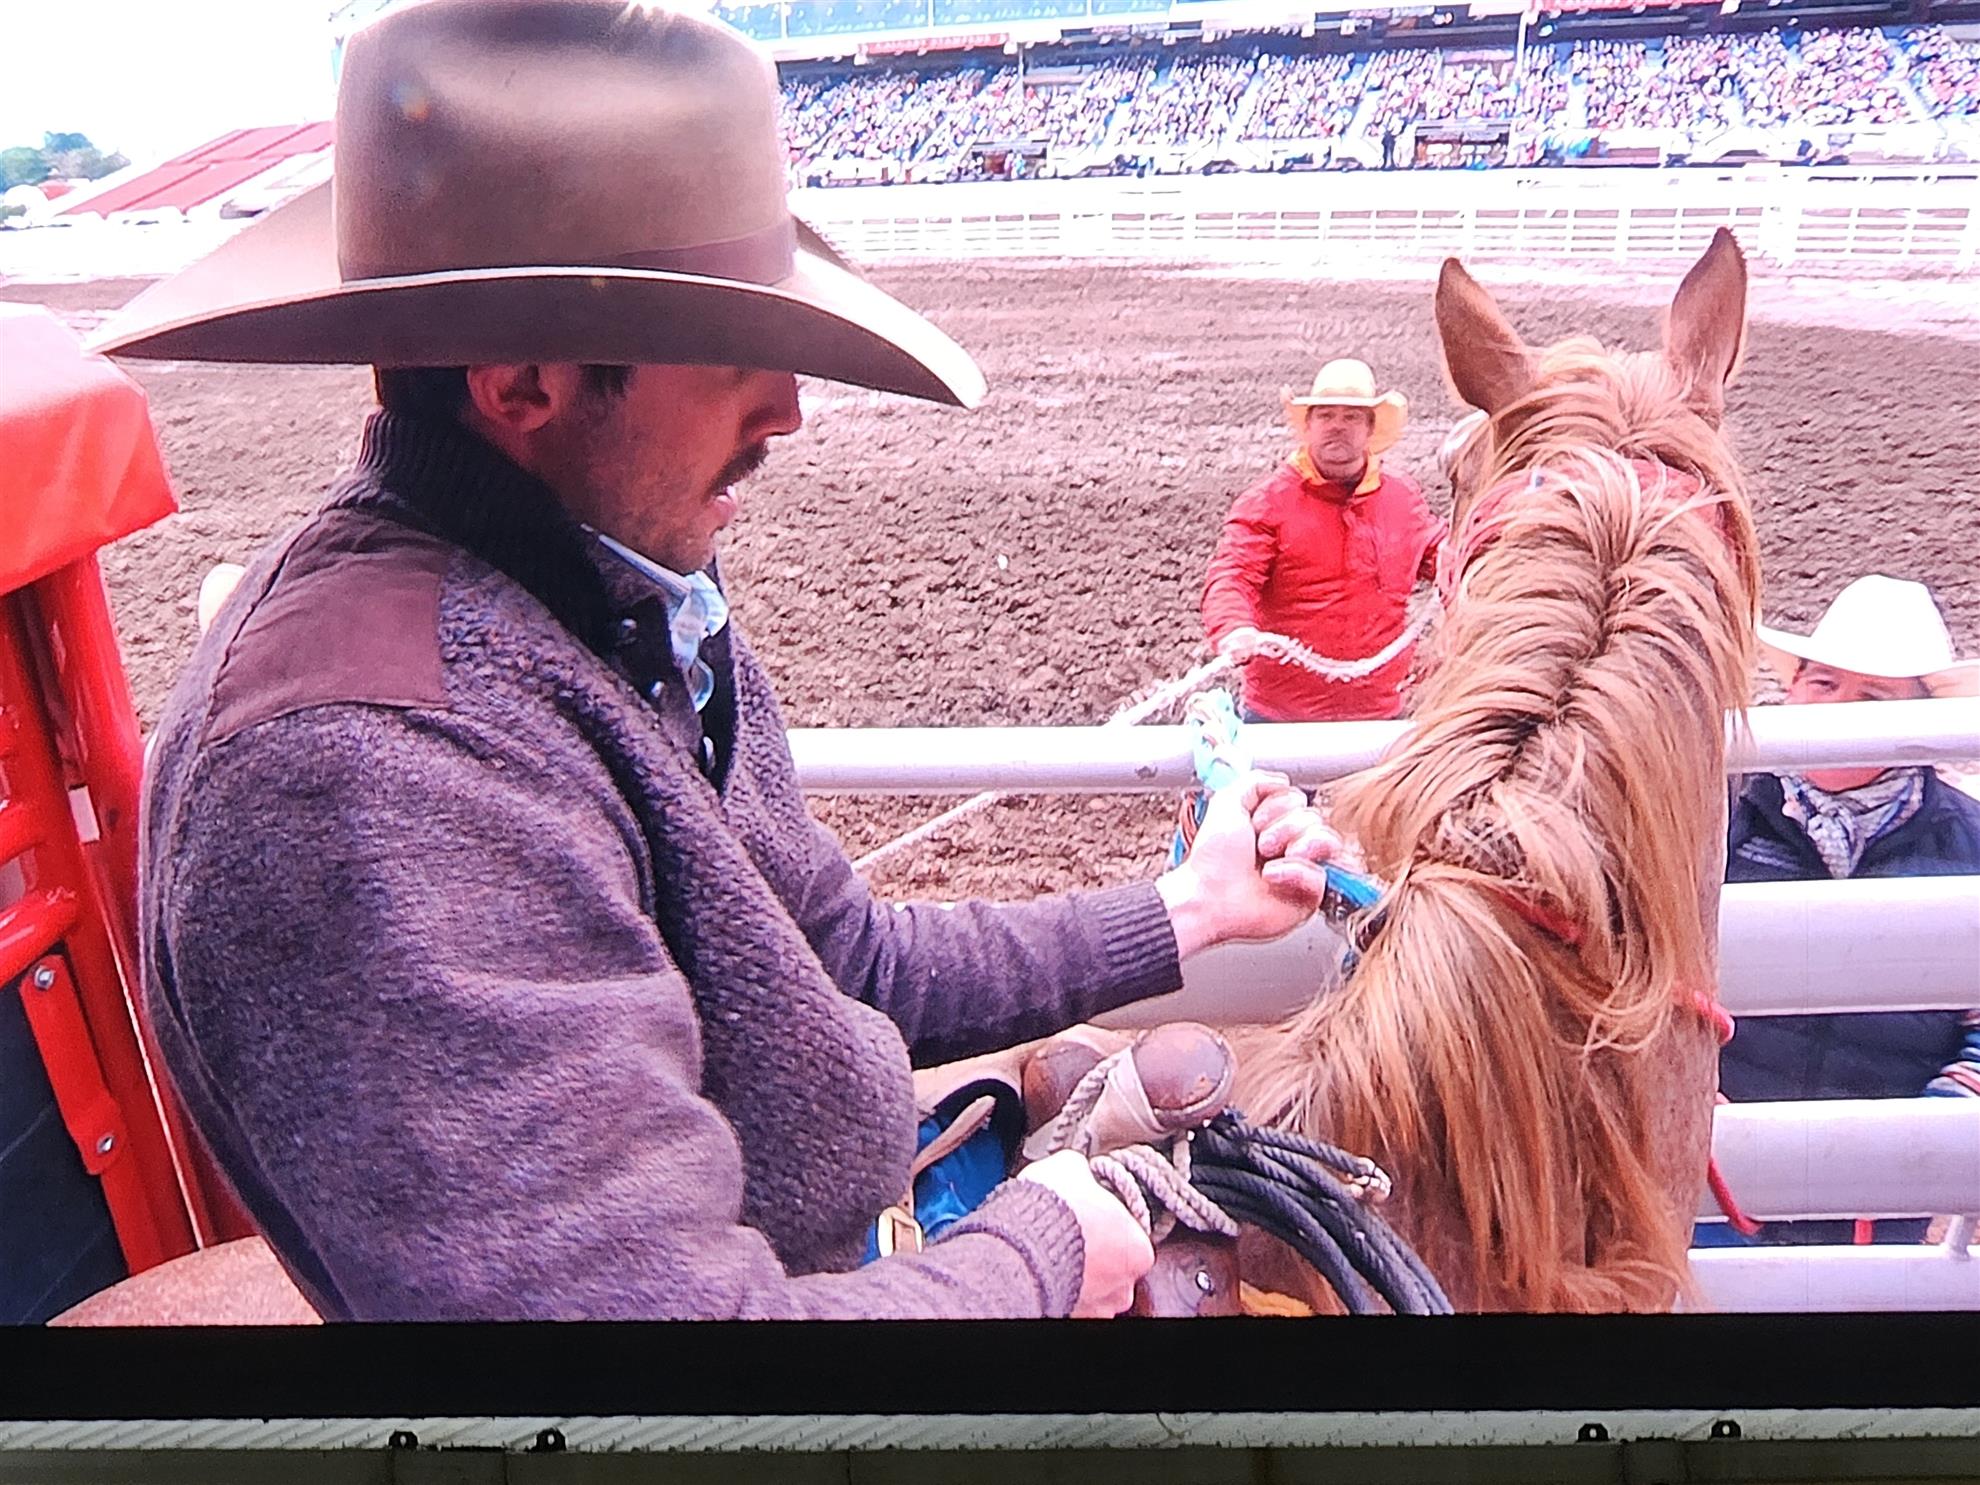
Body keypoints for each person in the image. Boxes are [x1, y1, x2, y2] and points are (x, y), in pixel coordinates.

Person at [100, 1, 1340, 1322]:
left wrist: (1191, 909)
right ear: (523, 382)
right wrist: (1039, 1252)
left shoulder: (614, 593)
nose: (789, 409)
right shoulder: (372, 772)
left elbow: (840, 959)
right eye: (739, 352)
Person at [1705, 575, 1980, 1247]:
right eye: (1825, 684)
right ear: (1793, 690)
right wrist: (1678, 1091)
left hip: (1879, 1202)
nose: (1839, 709)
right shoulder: (1711, 816)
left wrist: (1925, 1139)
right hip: (1710, 1170)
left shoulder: (1970, 843)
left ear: (1916, 717)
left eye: (1873, 696)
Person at [1200, 360, 1445, 724]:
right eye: (1326, 416)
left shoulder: (1403, 499)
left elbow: (1447, 558)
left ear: (1370, 428)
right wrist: (1233, 626)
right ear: (1308, 426)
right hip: (1281, 720)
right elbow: (1232, 576)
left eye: (1351, 417)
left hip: (1382, 715)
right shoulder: (1267, 503)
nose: (1337, 427)